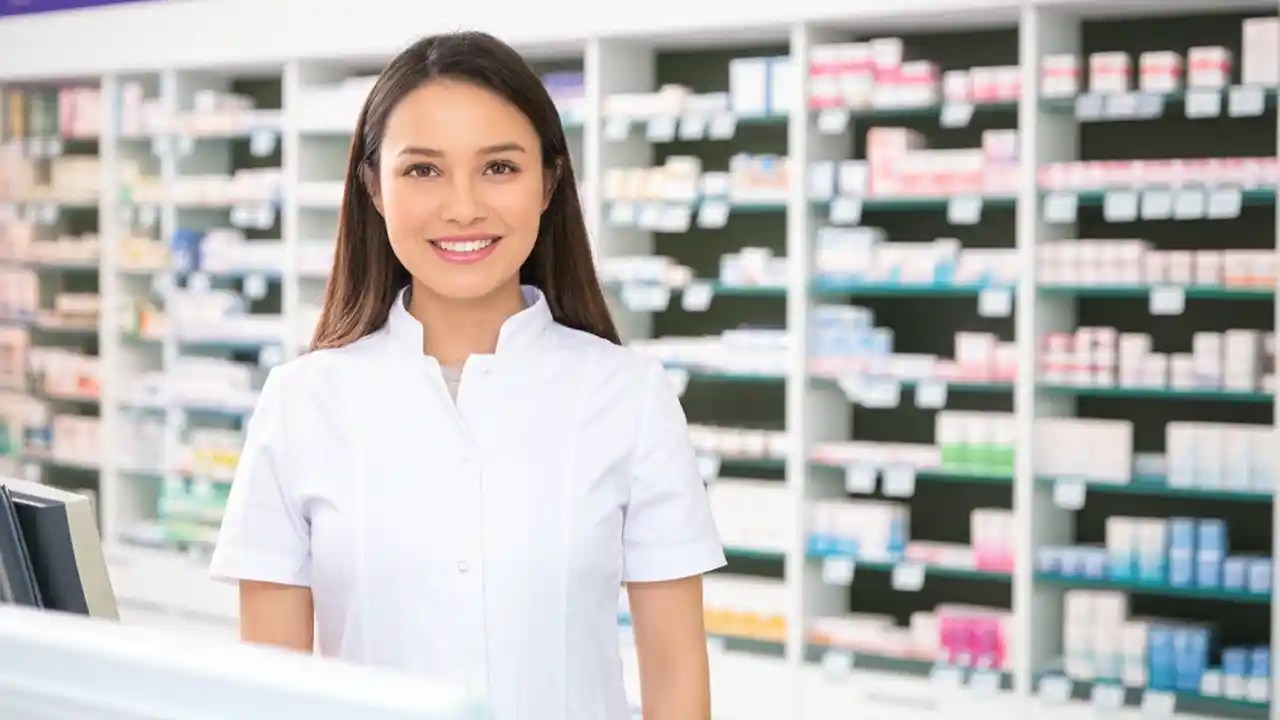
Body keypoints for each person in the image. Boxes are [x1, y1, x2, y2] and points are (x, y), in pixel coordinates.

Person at [207, 30, 727, 720]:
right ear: (373, 186)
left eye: (499, 168)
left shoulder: (628, 395)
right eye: (423, 170)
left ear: (549, 181)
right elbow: (270, 695)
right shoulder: (302, 403)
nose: (462, 207)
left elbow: (677, 687)